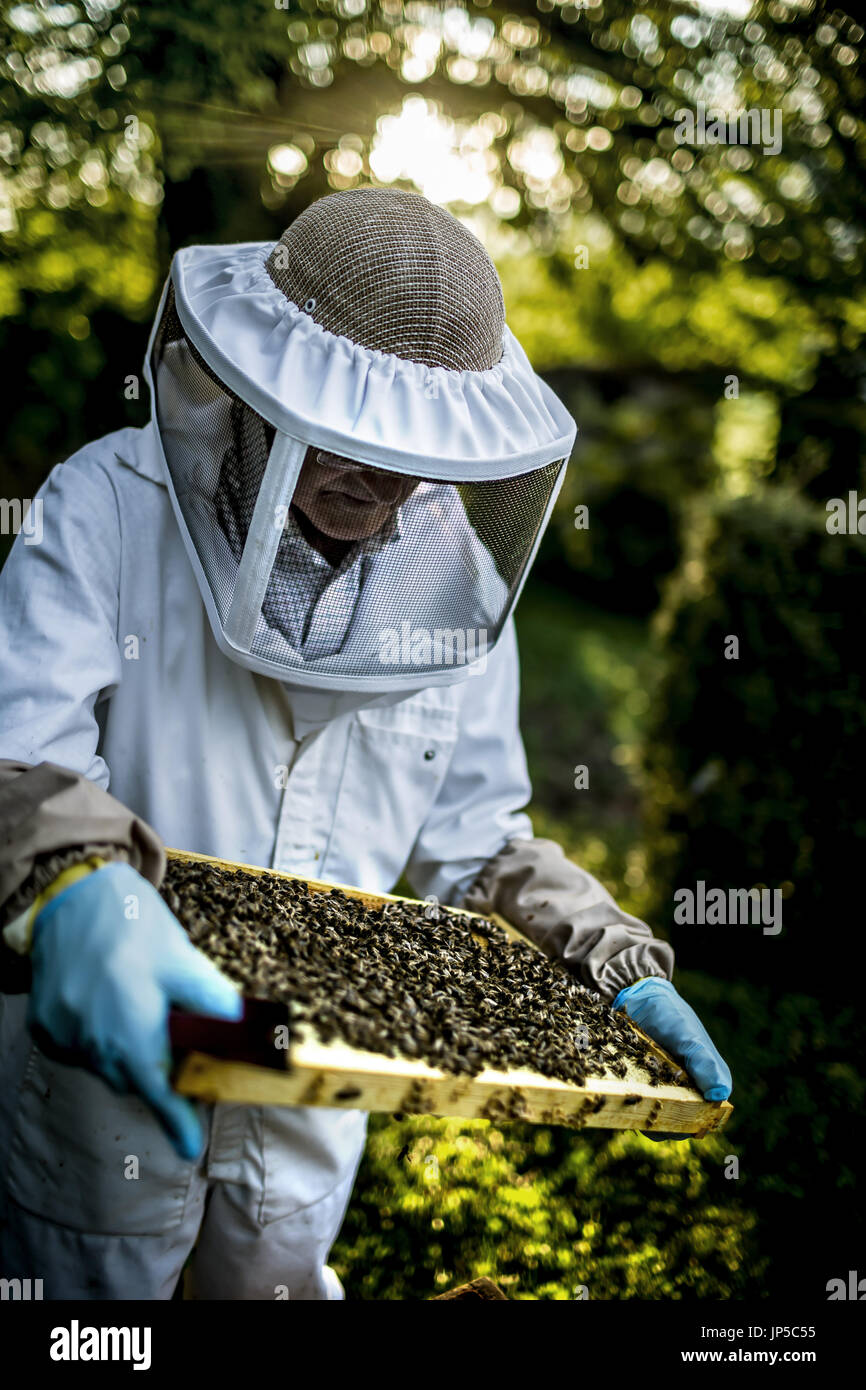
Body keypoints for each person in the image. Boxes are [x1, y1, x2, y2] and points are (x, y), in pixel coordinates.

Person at [0, 187, 730, 1300]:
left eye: (411, 444)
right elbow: (19, 754)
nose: (380, 477)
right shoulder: (105, 505)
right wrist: (74, 891)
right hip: (102, 1082)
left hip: (309, 1116)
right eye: (346, 431)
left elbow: (474, 836)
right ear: (256, 382)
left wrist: (598, 950)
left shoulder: (463, 583)